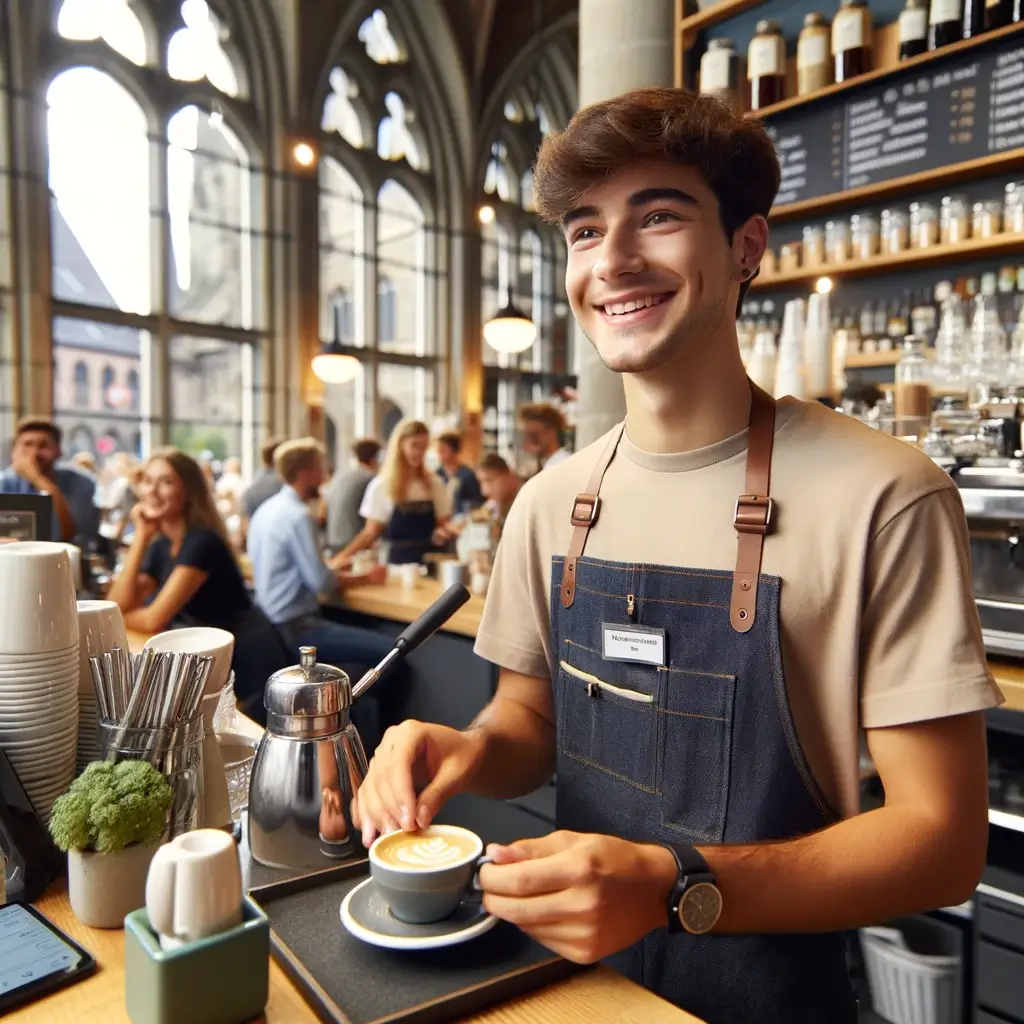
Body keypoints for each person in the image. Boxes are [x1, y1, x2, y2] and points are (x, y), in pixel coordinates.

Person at [351, 87, 1000, 1023]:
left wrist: (675, 884)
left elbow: (941, 841)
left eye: (657, 215)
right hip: (570, 994)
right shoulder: (549, 504)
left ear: (746, 247)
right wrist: (462, 750)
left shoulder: (885, 495)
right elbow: (529, 724)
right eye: (583, 230)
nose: (612, 260)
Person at [107, 447, 290, 720]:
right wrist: (142, 536)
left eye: (166, 482)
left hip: (247, 659)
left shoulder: (202, 542)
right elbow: (119, 602)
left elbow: (151, 620)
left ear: (188, 491)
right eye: (148, 481)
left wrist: (120, 614)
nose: (153, 491)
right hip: (213, 658)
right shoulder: (160, 546)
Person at [247, 438, 400, 748]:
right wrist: (367, 578)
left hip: (270, 627)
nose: (326, 475)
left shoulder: (267, 509)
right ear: (306, 472)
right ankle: (373, 752)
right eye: (320, 468)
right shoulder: (298, 515)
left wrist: (334, 568)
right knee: (392, 653)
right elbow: (322, 584)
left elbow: (304, 572)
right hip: (299, 631)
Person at [338, 419, 453, 565]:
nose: (418, 452)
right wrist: (342, 558)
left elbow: (444, 524)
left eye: (423, 447)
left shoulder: (435, 483)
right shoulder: (382, 485)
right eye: (414, 446)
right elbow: (369, 534)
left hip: (429, 562)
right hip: (394, 564)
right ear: (400, 445)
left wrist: (445, 533)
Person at [0, 416, 99, 547]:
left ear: (58, 451)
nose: (34, 454)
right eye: (27, 445)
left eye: (43, 446)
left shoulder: (81, 482)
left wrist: (37, 479)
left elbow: (70, 534)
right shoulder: (4, 482)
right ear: (14, 451)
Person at [323, 437, 382, 551]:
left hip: (332, 542)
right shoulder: (372, 480)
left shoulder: (340, 478)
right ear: (376, 458)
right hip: (353, 548)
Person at [435, 431, 483, 515]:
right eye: (438, 450)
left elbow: (477, 503)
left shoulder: (467, 475)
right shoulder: (437, 475)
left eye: (443, 449)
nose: (439, 453)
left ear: (455, 451)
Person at [518, 403, 571, 470]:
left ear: (551, 431)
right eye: (526, 436)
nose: (528, 445)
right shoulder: (550, 463)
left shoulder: (560, 465)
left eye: (534, 435)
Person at [476, 453, 521, 528]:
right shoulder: (497, 502)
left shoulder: (527, 502)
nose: (484, 491)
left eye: (489, 480)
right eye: (481, 482)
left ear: (509, 476)